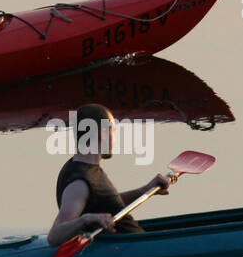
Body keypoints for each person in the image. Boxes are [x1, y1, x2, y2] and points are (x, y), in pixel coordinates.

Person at [48, 103, 170, 246]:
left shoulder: (86, 169)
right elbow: (54, 236)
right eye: (113, 131)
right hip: (131, 251)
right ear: (103, 133)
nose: (115, 139)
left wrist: (146, 189)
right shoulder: (79, 183)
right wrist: (86, 219)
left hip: (134, 245)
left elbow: (107, 205)